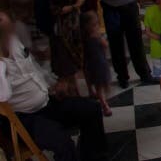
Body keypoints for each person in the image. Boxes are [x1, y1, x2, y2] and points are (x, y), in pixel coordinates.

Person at [0, 10, 108, 161]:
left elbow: (33, 70)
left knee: (91, 109)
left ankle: (94, 157)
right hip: (23, 119)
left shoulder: (13, 41)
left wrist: (52, 85)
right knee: (62, 142)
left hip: (47, 103)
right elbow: (3, 96)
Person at [49, 0, 87, 96]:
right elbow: (55, 9)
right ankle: (63, 103)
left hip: (74, 29)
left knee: (72, 70)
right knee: (65, 71)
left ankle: (74, 98)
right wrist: (75, 5)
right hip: (62, 33)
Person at [80, 11, 112, 116]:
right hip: (98, 64)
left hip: (92, 64)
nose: (97, 26)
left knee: (96, 83)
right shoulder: (95, 36)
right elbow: (105, 45)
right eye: (94, 24)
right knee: (100, 85)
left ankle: (93, 92)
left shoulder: (84, 37)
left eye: (97, 24)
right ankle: (104, 105)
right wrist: (101, 37)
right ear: (87, 26)